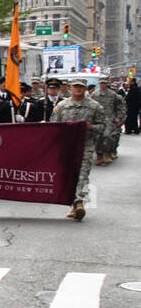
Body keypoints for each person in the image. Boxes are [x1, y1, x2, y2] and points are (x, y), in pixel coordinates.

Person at [51, 77, 104, 220]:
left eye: (81, 86)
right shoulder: (61, 106)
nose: (78, 89)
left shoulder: (95, 106)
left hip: (86, 146)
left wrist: (91, 127)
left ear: (86, 89)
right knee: (68, 175)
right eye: (75, 86)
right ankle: (74, 205)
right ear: (70, 88)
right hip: (67, 147)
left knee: (82, 175)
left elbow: (102, 126)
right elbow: (53, 127)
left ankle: (79, 201)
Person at [93, 79, 125, 164]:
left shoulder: (113, 94)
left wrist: (119, 117)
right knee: (98, 137)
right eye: (101, 83)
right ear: (99, 84)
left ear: (107, 84)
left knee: (108, 136)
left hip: (110, 118)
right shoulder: (94, 94)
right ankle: (99, 155)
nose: (103, 85)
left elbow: (119, 106)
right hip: (98, 119)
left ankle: (107, 153)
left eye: (104, 83)